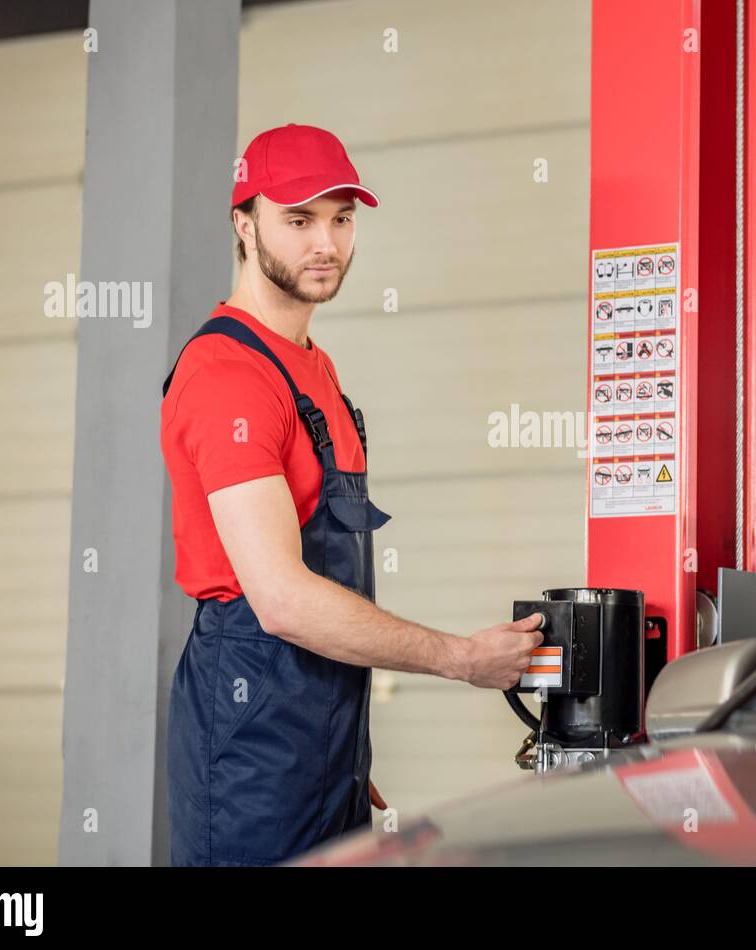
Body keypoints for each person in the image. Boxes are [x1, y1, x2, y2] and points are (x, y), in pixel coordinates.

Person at [160, 123, 542, 866]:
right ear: (244, 223)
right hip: (249, 759)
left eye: (341, 218)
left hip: (322, 751)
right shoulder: (226, 376)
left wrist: (341, 762)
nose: (325, 243)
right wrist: (462, 658)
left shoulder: (314, 368)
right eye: (298, 221)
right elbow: (283, 601)